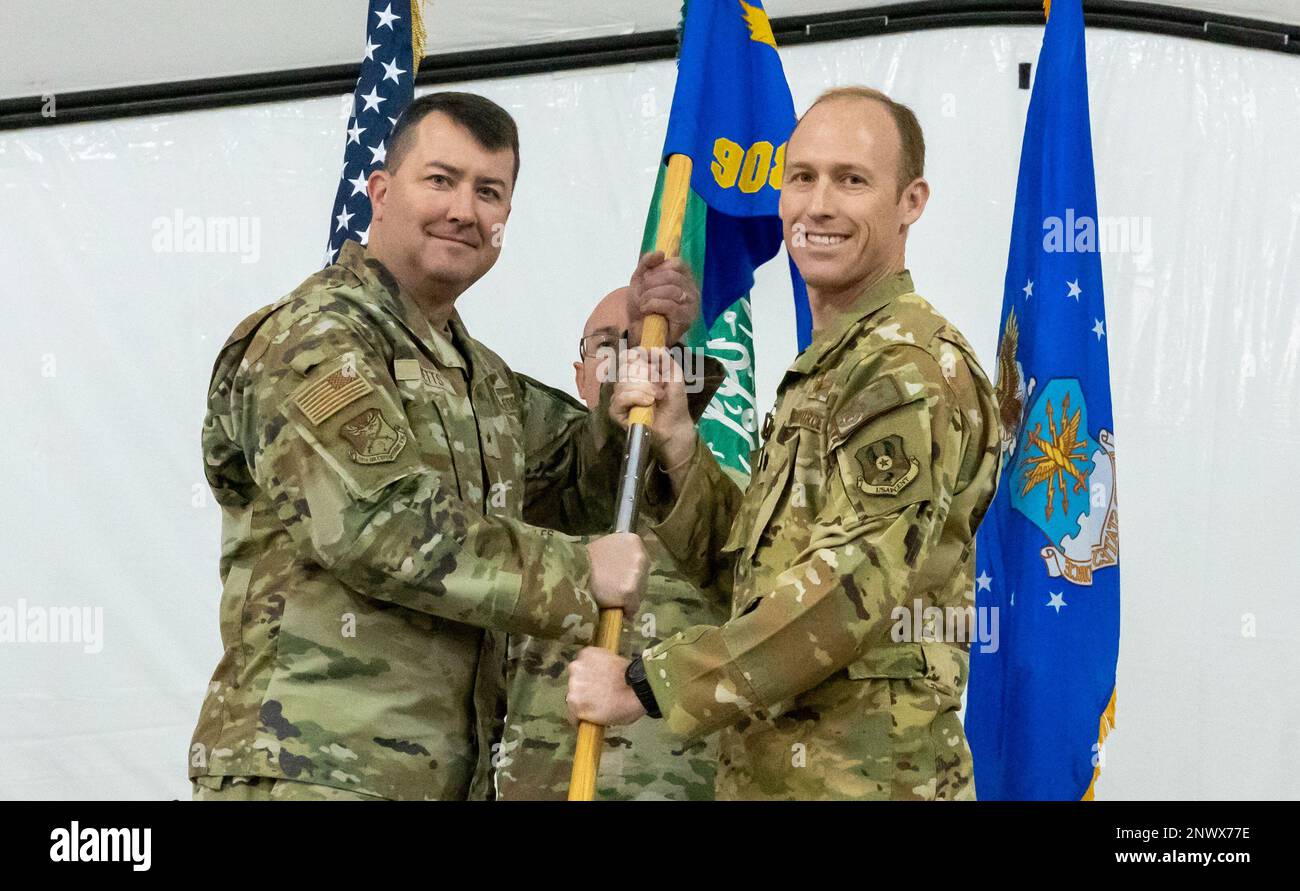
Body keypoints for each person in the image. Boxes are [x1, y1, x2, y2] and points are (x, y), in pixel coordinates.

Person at [189, 91, 696, 800]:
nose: (464, 209)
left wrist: (653, 358)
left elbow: (586, 484)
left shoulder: (479, 377)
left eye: (489, 192)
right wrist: (582, 573)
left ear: (505, 222)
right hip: (312, 770)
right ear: (381, 192)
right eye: (441, 179)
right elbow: (377, 526)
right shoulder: (316, 337)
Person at [565, 86, 1002, 800]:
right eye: (802, 177)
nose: (819, 205)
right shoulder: (832, 367)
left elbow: (846, 590)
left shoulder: (907, 368)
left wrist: (648, 683)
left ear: (911, 201)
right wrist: (678, 442)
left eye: (851, 180)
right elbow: (754, 576)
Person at [495, 287, 726, 800]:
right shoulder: (526, 490)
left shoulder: (726, 501)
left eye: (648, 343)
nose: (631, 358)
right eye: (608, 345)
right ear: (579, 373)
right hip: (543, 782)